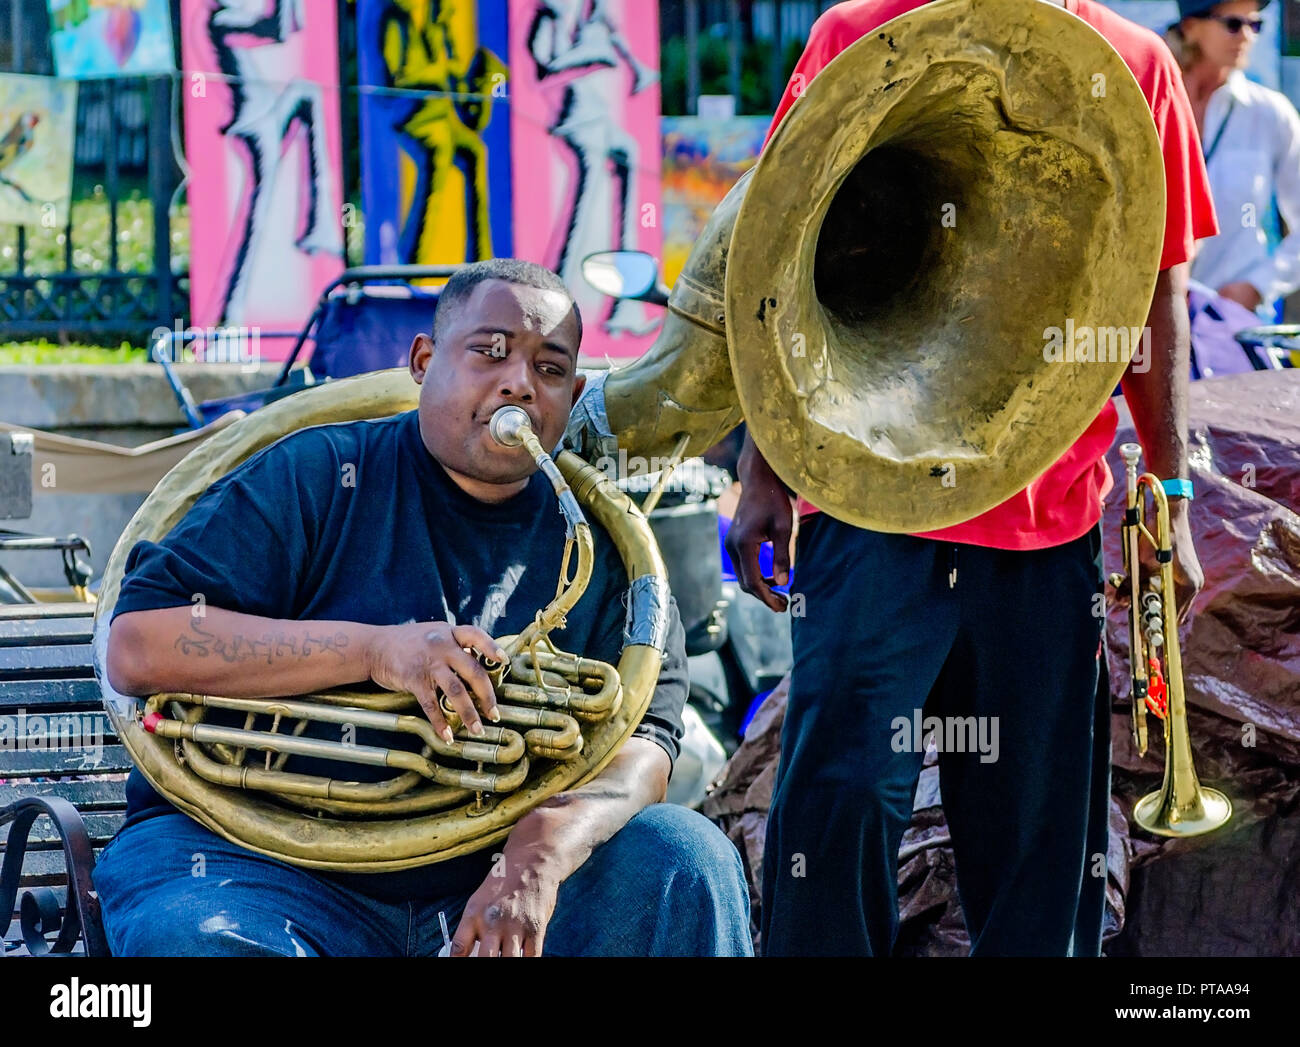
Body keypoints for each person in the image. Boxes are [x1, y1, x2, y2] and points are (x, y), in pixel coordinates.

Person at [726, 0, 1214, 957]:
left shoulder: (1138, 63)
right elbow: (774, 257)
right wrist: (762, 472)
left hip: (1049, 523)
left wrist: (1175, 496)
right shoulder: (856, 27)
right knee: (840, 803)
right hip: (869, 509)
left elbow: (1155, 293)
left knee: (1039, 839)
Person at [96, 258, 753, 958]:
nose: (519, 383)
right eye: (489, 352)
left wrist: (543, 846)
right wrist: (378, 652)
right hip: (255, 870)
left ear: (573, 393)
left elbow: (647, 743)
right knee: (196, 941)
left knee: (688, 858)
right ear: (423, 359)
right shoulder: (314, 474)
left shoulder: (607, 543)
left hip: (488, 882)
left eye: (551, 369)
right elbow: (139, 647)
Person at [1167, 0, 1300, 320]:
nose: (1246, 36)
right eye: (1232, 24)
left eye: (1255, 25)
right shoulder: (1152, 102)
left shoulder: (1270, 113)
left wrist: (1257, 285)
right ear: (1190, 26)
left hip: (1229, 326)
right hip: (1148, 319)